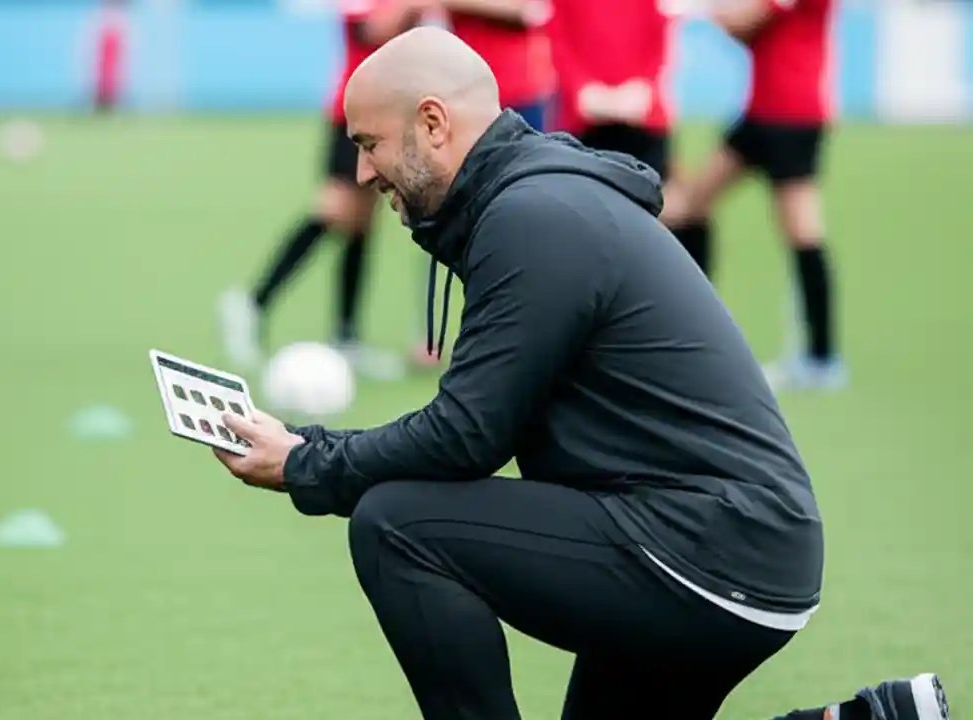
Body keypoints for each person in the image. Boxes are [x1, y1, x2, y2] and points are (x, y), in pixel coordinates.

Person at [212, 27, 947, 720]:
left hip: (704, 545)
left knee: (398, 523)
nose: (363, 171)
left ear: (434, 123)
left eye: (369, 144)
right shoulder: (530, 204)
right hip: (727, 541)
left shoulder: (533, 217)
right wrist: (303, 444)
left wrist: (306, 463)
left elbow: (465, 437)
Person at [217, 0, 426, 380]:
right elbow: (373, 30)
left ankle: (346, 336)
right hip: (353, 113)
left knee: (362, 223)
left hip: (386, 112)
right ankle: (253, 301)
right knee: (334, 211)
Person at [661, 0, 845, 392]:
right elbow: (747, 28)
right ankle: (697, 329)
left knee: (802, 230)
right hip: (765, 113)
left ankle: (820, 357)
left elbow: (743, 19)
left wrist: (703, 9)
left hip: (789, 115)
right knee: (688, 204)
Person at [408, 0, 555, 369]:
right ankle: (433, 335)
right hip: (460, 100)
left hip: (522, 94)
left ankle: (523, 328)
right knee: (441, 209)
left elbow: (530, 10)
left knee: (526, 216)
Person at [548, 0, 677, 205]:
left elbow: (662, 36)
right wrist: (581, 88)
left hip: (643, 118)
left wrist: (644, 86)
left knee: (654, 213)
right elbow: (554, 35)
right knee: (580, 211)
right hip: (583, 121)